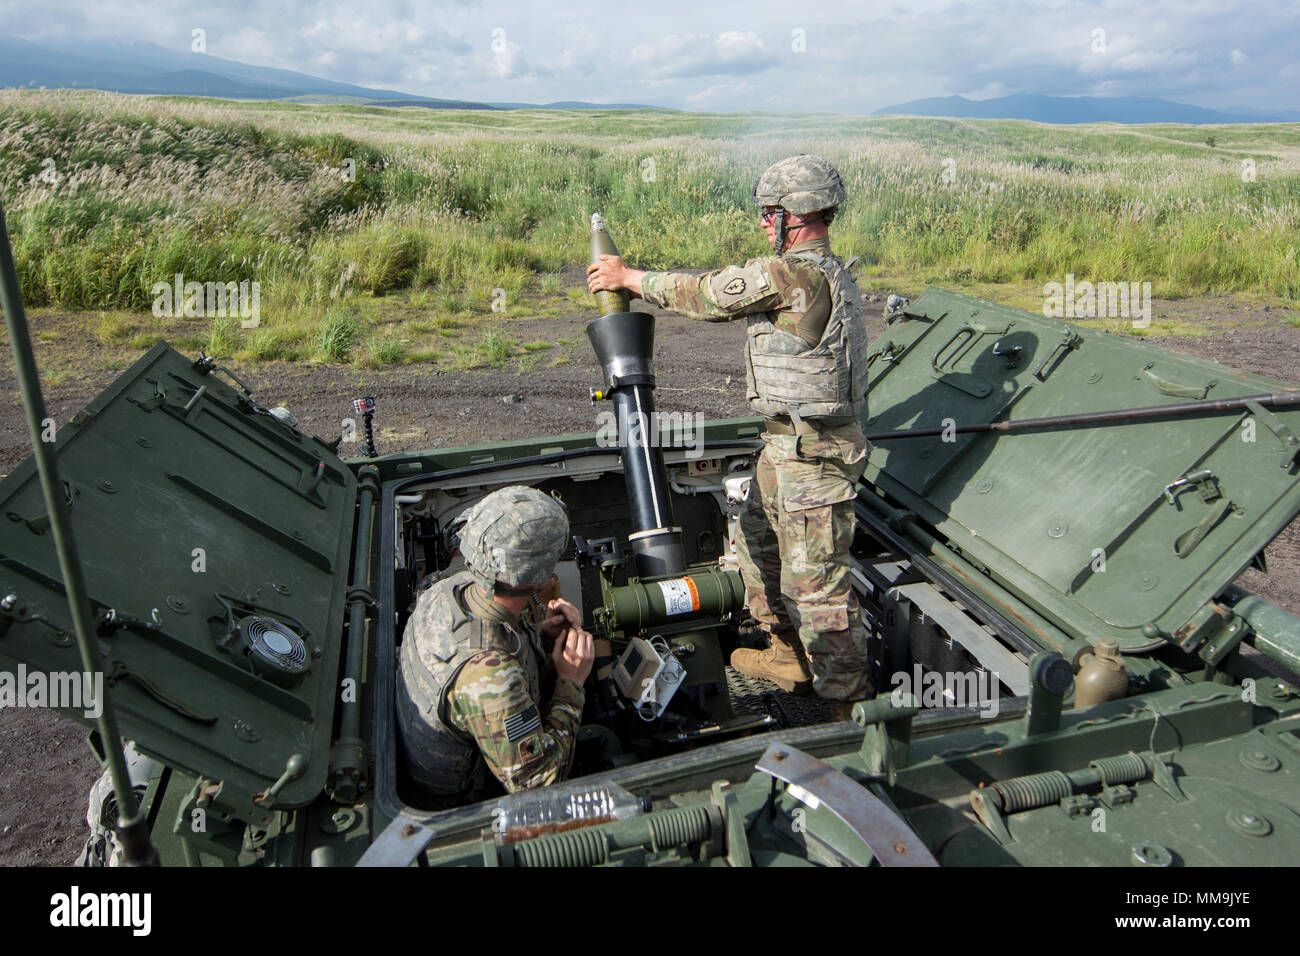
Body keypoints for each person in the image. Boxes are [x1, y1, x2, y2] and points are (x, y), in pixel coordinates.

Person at [586, 154, 872, 720]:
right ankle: (790, 657)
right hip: (785, 447)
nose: (766, 224)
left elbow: (713, 294)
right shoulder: (819, 271)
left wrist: (630, 280)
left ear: (799, 214)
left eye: (771, 214)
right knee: (756, 547)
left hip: (814, 457)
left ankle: (848, 709)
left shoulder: (799, 273)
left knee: (819, 588)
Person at [396, 485, 594, 802]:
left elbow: (495, 630)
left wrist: (539, 633)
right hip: (464, 798)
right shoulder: (492, 679)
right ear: (542, 577)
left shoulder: (449, 586)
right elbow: (540, 784)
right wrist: (571, 684)